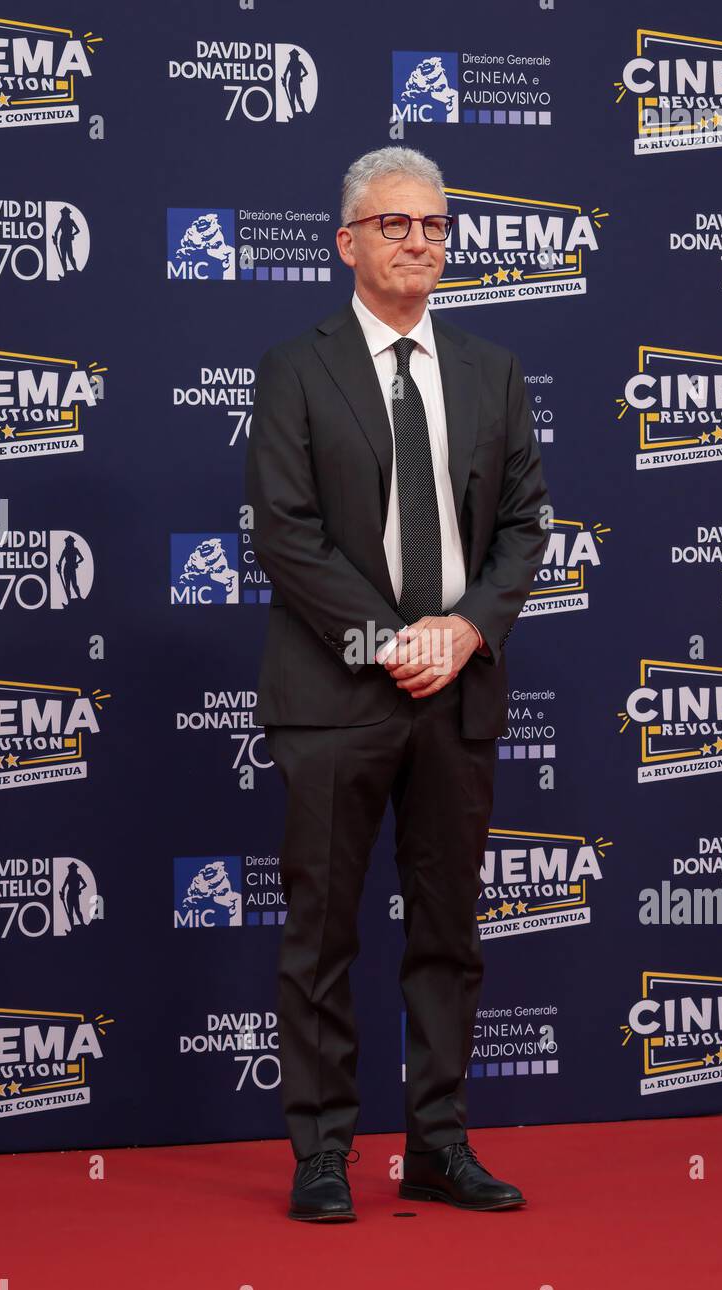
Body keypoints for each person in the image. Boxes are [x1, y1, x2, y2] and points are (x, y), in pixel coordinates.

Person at [246, 145, 551, 1221]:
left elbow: (524, 526)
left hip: (456, 691)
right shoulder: (295, 366)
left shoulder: (490, 370)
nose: (418, 240)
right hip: (336, 694)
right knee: (321, 931)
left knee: (446, 933)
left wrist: (463, 631)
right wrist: (388, 639)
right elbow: (283, 537)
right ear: (347, 243)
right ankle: (322, 1155)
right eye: (394, 225)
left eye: (433, 224)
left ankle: (436, 1146)